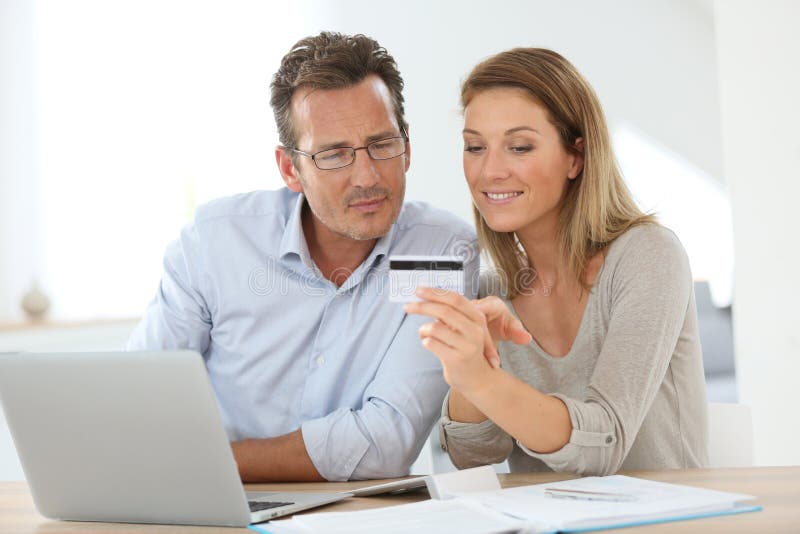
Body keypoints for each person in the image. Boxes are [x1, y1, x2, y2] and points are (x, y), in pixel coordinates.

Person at [127, 32, 478, 482]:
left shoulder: (438, 251)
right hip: (218, 508)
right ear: (290, 169)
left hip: (358, 519)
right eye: (334, 155)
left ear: (406, 147)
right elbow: (139, 399)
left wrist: (206, 464)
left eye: (382, 144)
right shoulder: (216, 244)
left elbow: (386, 441)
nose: (367, 176)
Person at [405, 48, 708, 476]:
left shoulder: (648, 256)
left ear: (576, 156)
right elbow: (473, 456)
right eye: (475, 147)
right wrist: (468, 369)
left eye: (519, 147)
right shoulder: (492, 293)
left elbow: (603, 445)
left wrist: (484, 380)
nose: (490, 170)